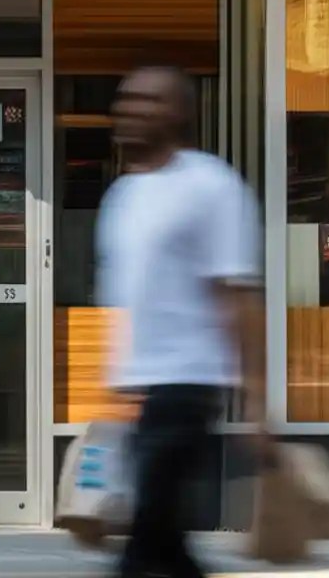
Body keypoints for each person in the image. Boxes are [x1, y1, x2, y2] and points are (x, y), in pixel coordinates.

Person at [96, 66, 267, 578]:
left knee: (145, 545)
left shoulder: (210, 185)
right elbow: (127, 304)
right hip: (145, 391)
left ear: (180, 113)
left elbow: (238, 296)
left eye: (150, 100)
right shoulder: (123, 196)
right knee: (165, 548)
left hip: (188, 387)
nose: (132, 109)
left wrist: (257, 403)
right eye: (127, 99)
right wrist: (115, 392)